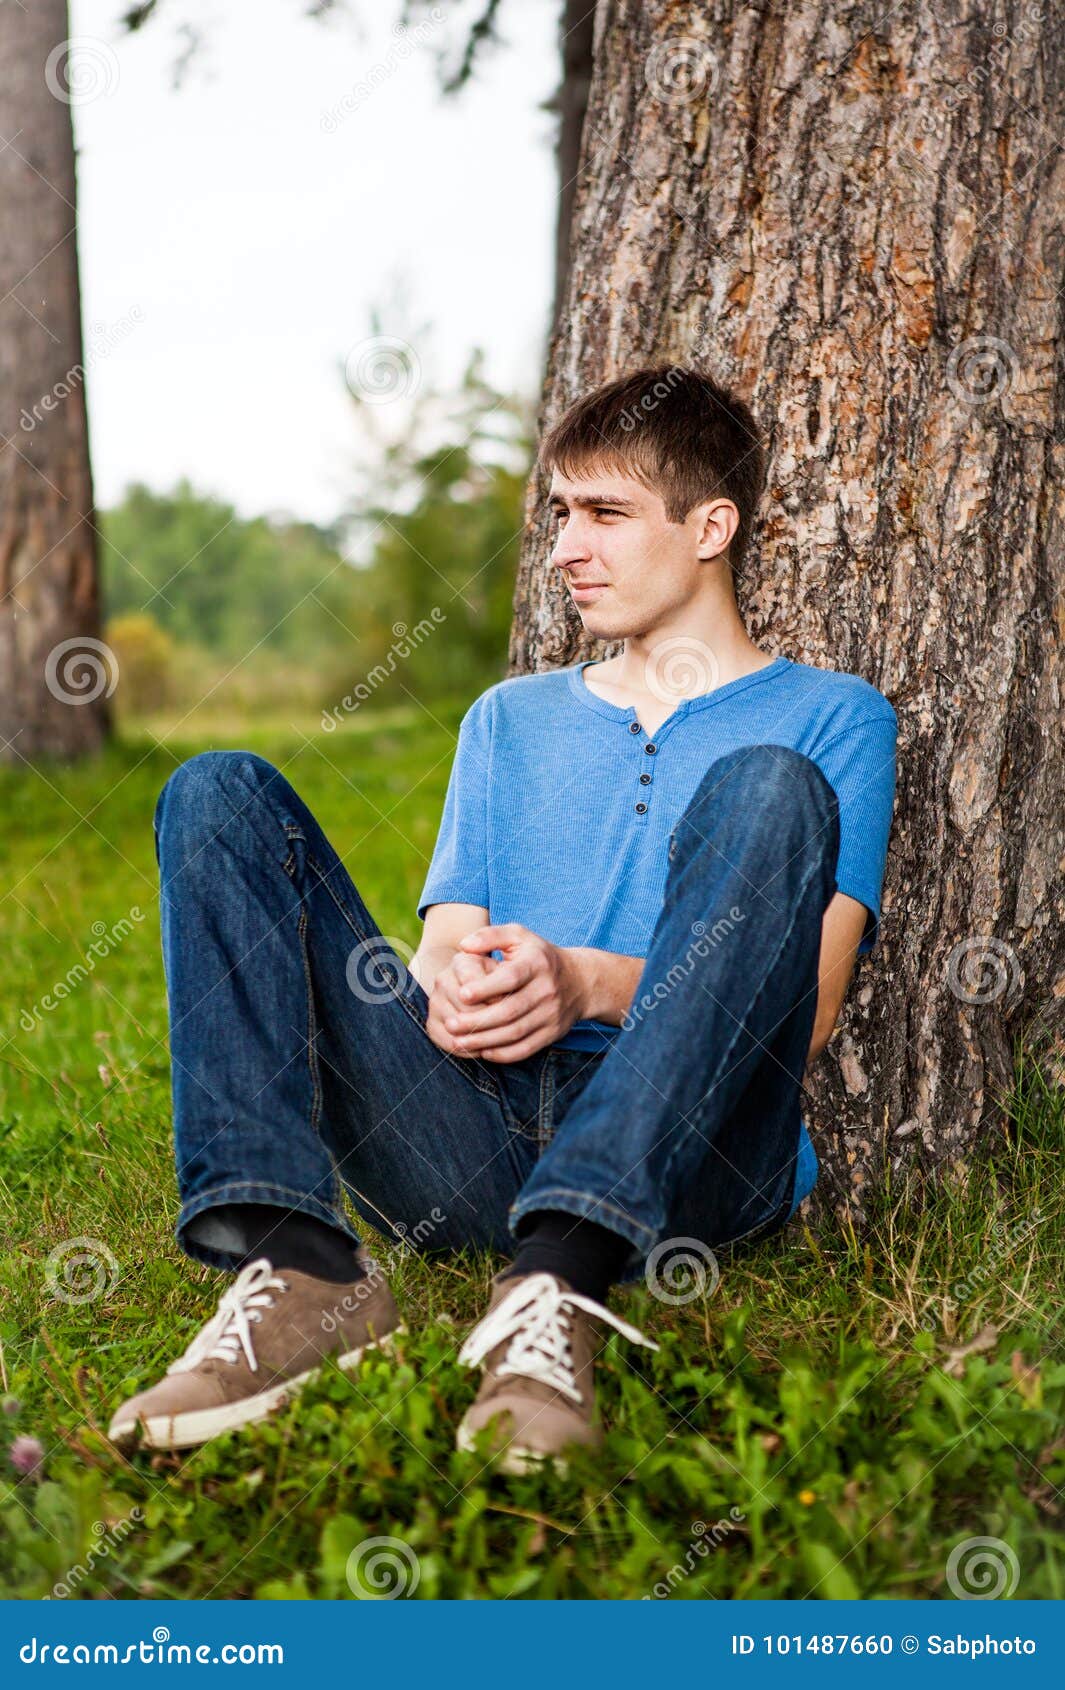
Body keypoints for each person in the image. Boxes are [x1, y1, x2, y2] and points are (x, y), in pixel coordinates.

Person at [108, 365, 897, 1472]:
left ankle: (559, 1284)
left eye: (606, 514)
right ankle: (297, 1267)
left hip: (696, 1156)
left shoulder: (834, 717)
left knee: (769, 786)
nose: (567, 548)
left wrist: (584, 984)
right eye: (560, 514)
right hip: (471, 1141)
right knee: (217, 793)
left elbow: (804, 1017)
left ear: (711, 527)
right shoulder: (506, 719)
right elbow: (442, 948)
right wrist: (461, 991)